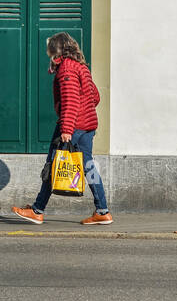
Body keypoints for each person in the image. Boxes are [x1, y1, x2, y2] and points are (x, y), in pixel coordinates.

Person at [12, 32, 112, 226]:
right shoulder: (81, 66)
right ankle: (102, 211)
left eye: (50, 49)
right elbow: (95, 97)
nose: (48, 53)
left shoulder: (66, 69)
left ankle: (37, 210)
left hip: (72, 127)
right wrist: (85, 112)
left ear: (57, 49)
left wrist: (67, 128)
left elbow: (71, 100)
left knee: (53, 164)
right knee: (89, 166)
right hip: (87, 126)